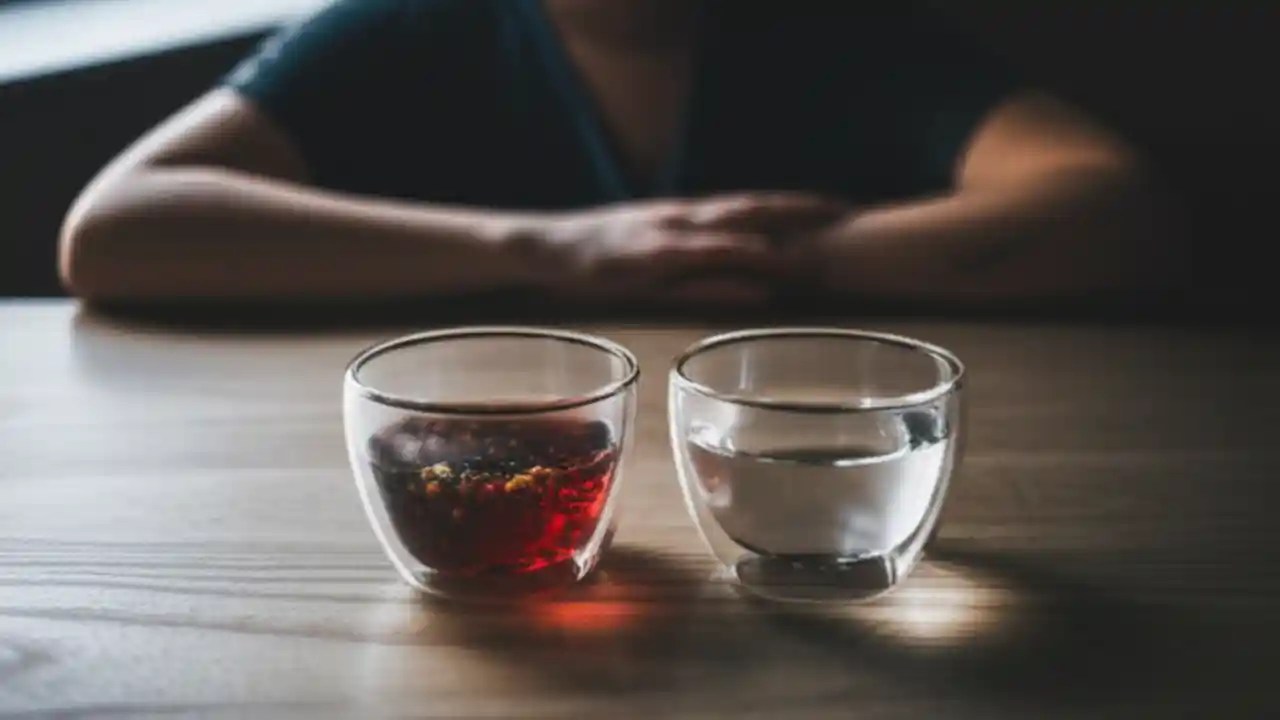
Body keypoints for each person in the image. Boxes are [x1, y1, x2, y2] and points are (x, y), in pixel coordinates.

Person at [58, 0, 1169, 307]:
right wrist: (553, 249)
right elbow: (120, 231)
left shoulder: (832, 29)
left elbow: (1107, 203)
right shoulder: (406, 27)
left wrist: (789, 258)